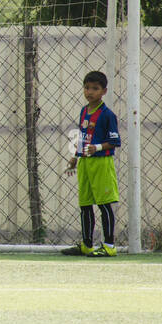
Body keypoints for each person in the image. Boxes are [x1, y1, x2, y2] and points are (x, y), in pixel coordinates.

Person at [62, 71, 121, 257]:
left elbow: (114, 141)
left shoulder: (107, 115)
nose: (90, 92)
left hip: (101, 163)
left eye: (95, 88)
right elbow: (82, 137)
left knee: (104, 205)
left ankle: (109, 245)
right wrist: (75, 157)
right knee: (85, 205)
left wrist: (97, 147)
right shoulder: (84, 111)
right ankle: (87, 244)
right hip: (85, 164)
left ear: (103, 91)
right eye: (87, 87)